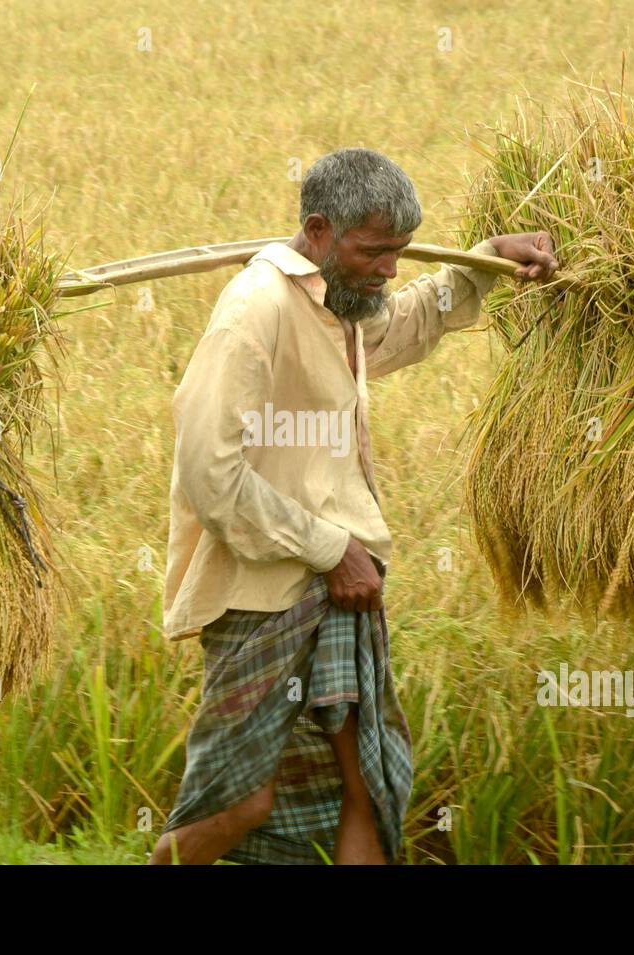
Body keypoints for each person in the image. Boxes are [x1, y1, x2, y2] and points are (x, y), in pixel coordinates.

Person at [149, 147, 557, 865]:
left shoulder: (337, 303)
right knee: (242, 799)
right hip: (264, 593)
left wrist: (486, 261)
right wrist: (330, 548)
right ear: (317, 229)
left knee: (356, 791)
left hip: (337, 587)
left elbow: (399, 325)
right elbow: (210, 474)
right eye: (374, 251)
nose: (389, 269)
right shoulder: (256, 310)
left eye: (398, 252)